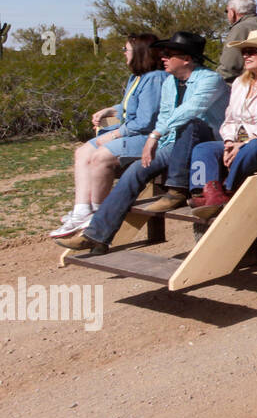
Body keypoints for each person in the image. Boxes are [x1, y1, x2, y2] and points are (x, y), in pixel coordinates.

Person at [54, 32, 230, 254]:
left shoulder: (210, 80)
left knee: (191, 123)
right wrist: (156, 140)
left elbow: (190, 111)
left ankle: (176, 191)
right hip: (174, 143)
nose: (162, 57)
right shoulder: (170, 82)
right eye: (163, 53)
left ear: (186, 58)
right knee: (136, 171)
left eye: (168, 54)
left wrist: (154, 136)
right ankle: (96, 236)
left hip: (204, 144)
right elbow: (165, 116)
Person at [49, 34, 166, 239]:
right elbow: (131, 105)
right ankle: (81, 210)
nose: (123, 53)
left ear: (139, 53)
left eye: (126, 50)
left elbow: (145, 121)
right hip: (133, 133)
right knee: (82, 151)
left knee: (100, 156)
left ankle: (98, 210)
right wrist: (110, 110)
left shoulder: (155, 78)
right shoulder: (137, 77)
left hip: (149, 138)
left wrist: (114, 134)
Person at [188, 30, 257, 220]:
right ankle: (204, 193)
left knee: (255, 147)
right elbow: (230, 119)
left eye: (252, 51)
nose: (246, 56)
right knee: (203, 148)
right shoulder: (241, 82)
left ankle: (229, 191)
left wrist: (244, 143)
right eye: (244, 52)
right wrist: (229, 142)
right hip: (241, 144)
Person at [217, 0, 257, 83]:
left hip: (243, 83)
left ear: (232, 12)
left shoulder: (240, 28)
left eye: (226, 11)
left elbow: (229, 65)